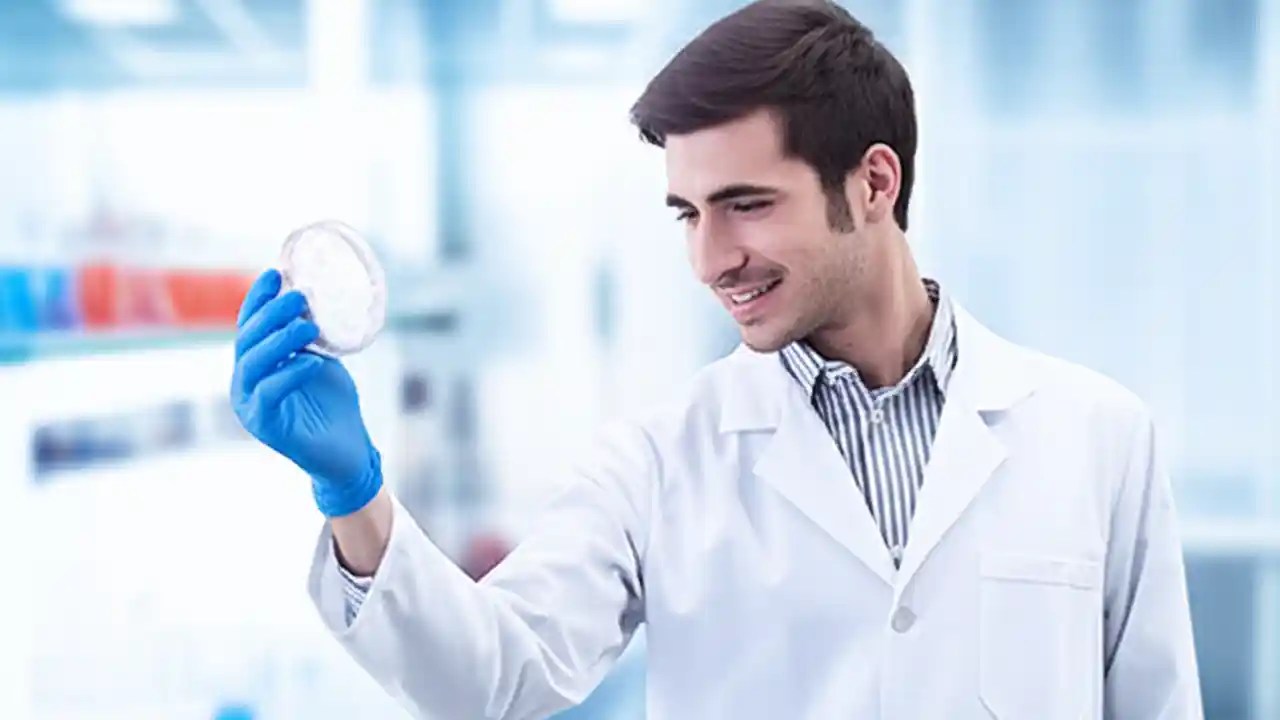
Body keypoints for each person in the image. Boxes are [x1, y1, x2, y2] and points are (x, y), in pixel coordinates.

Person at [229, 1, 1203, 717]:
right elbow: (494, 675)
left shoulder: (1096, 437)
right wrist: (354, 494)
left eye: (745, 204)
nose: (708, 259)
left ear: (871, 182)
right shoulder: (659, 461)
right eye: (687, 215)